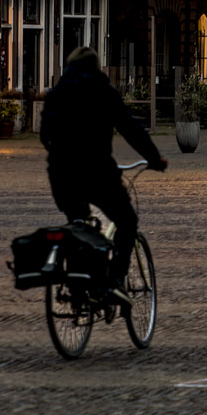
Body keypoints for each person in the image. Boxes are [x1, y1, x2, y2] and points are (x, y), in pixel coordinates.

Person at [38, 48, 166, 300]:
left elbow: (45, 135)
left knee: (79, 223)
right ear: (96, 67)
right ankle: (114, 280)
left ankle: (77, 285)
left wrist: (60, 155)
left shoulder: (56, 95)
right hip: (97, 173)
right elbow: (130, 128)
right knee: (127, 222)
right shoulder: (103, 93)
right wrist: (154, 158)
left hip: (61, 176)